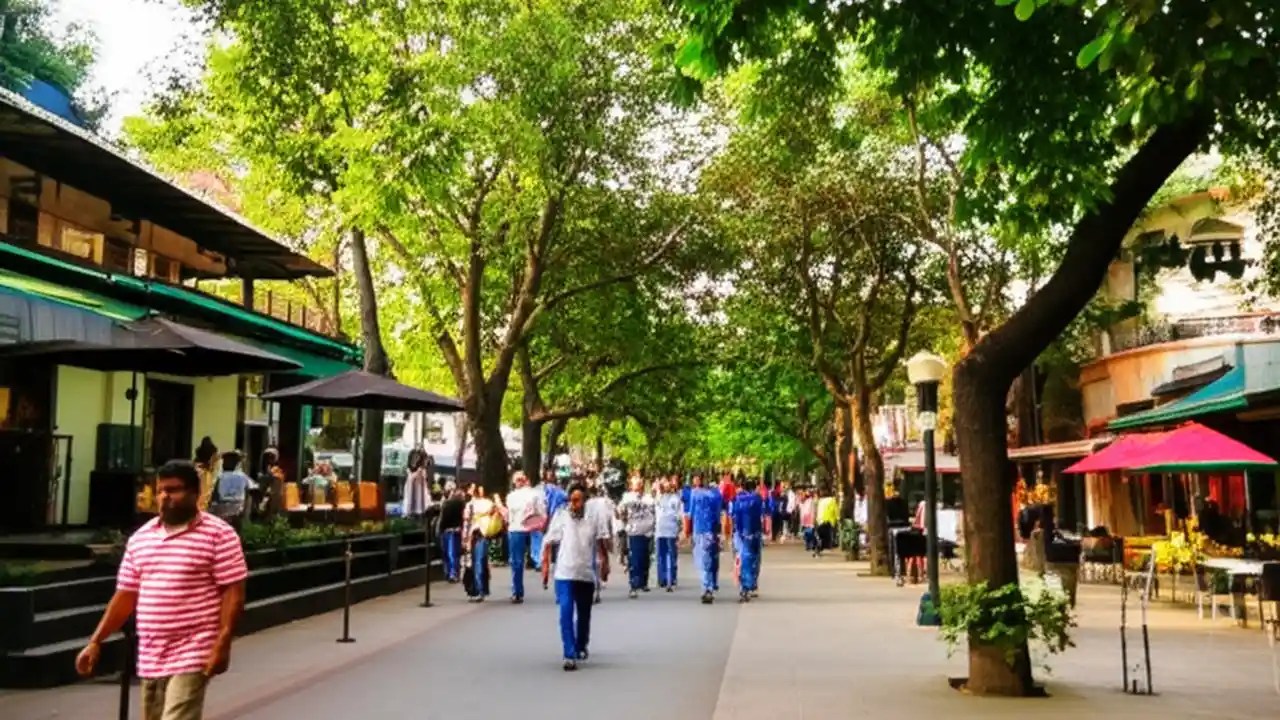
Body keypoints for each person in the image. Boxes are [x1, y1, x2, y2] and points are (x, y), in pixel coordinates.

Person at [76, 460, 247, 720]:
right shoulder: (141, 539)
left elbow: (233, 592)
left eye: (174, 490)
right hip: (151, 653)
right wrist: (95, 641)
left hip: (194, 649)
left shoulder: (219, 535)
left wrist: (223, 642)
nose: (165, 497)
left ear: (194, 494)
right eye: (160, 490)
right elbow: (125, 595)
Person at [541, 482, 610, 671]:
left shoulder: (594, 517)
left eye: (577, 500)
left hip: (585, 573)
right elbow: (548, 541)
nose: (573, 504)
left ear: (585, 501)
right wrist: (545, 566)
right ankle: (568, 653)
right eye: (571, 500)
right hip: (564, 573)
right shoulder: (562, 516)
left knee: (584, 614)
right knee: (565, 612)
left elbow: (602, 542)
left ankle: (581, 645)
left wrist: (605, 564)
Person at [504, 471, 547, 604]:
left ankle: (517, 591)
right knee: (535, 545)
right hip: (532, 526)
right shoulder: (535, 494)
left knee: (516, 561)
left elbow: (509, 516)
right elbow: (542, 509)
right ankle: (537, 562)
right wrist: (542, 523)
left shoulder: (511, 496)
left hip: (516, 528)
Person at [687, 474, 724, 604]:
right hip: (713, 531)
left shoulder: (695, 494)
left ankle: (707, 588)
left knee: (703, 561)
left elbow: (690, 515)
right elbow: (720, 514)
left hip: (700, 530)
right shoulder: (717, 495)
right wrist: (721, 533)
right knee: (713, 559)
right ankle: (713, 584)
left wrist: (687, 533)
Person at [618, 476, 656, 598]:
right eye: (635, 483)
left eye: (639, 483)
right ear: (631, 485)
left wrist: (654, 526)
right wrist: (622, 516)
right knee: (634, 559)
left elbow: (654, 512)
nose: (637, 485)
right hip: (634, 532)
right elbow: (620, 511)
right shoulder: (627, 497)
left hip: (647, 532)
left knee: (645, 558)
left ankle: (643, 582)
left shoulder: (648, 498)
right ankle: (633, 585)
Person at [462, 486, 501, 602]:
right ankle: (483, 589)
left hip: (474, 536)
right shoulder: (489, 503)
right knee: (482, 562)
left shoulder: (470, 505)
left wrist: (464, 539)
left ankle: (478, 590)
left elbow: (466, 523)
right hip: (485, 535)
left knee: (475, 563)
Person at [731, 478, 766, 602]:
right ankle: (751, 584)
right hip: (755, 534)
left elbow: (734, 517)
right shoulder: (758, 499)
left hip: (741, 534)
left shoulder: (738, 499)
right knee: (754, 560)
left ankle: (743, 587)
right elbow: (763, 515)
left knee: (741, 559)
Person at [585, 485, 616, 603]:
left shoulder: (588, 504)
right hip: (602, 532)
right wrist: (610, 534)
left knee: (594, 558)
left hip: (590, 533)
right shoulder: (605, 502)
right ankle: (603, 579)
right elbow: (610, 517)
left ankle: (598, 583)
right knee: (603, 555)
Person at [211, 451, 255, 530]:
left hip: (227, 507)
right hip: (233, 508)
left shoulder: (222, 477)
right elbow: (253, 489)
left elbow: (214, 494)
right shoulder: (241, 476)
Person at [654, 477, 682, 592]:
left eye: (667, 485)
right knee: (660, 556)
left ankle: (672, 578)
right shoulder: (658, 498)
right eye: (663, 485)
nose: (666, 487)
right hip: (660, 531)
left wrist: (680, 530)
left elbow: (680, 515)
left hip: (671, 531)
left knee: (672, 555)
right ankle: (662, 579)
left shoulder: (676, 499)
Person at [535, 470, 567, 569]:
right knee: (556, 539)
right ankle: (553, 560)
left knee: (546, 540)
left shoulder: (543, 490)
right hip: (556, 517)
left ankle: (542, 561)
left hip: (551, 516)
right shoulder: (560, 491)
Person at [437, 488, 466, 583]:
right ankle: (454, 574)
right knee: (453, 553)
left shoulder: (446, 504)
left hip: (446, 530)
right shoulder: (461, 504)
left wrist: (440, 530)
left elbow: (442, 519)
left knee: (446, 553)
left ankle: (448, 572)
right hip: (455, 530)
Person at [402, 451, 431, 519]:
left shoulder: (422, 469)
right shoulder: (410, 468)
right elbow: (411, 477)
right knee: (410, 499)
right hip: (411, 487)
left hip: (419, 488)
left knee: (419, 500)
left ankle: (418, 513)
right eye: (414, 457)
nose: (416, 459)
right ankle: (410, 513)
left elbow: (424, 479)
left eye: (417, 457)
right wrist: (418, 471)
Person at [193, 437, 219, 512]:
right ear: (210, 458)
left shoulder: (207, 472)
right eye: (215, 459)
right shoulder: (200, 472)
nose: (216, 462)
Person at [816, 490, 838, 556]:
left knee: (821, 536)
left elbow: (818, 510)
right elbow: (835, 510)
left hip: (820, 520)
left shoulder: (821, 501)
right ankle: (823, 547)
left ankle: (819, 548)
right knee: (828, 535)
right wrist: (838, 518)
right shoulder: (832, 500)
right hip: (828, 520)